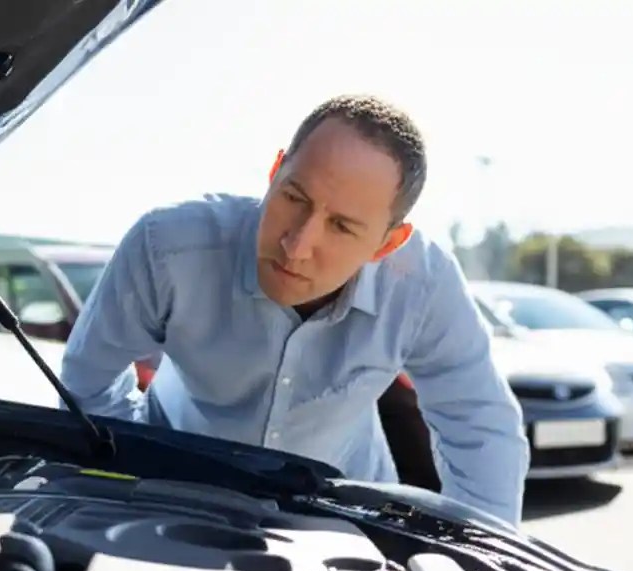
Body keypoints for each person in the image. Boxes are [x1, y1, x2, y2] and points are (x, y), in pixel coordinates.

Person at [59, 94, 530, 526]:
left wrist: (475, 563)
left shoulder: (422, 286)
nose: (297, 245)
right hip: (175, 504)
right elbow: (88, 385)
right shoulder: (166, 248)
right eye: (293, 198)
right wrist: (139, 476)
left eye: (341, 226)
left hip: (340, 524)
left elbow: (481, 426)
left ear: (388, 244)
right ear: (275, 171)